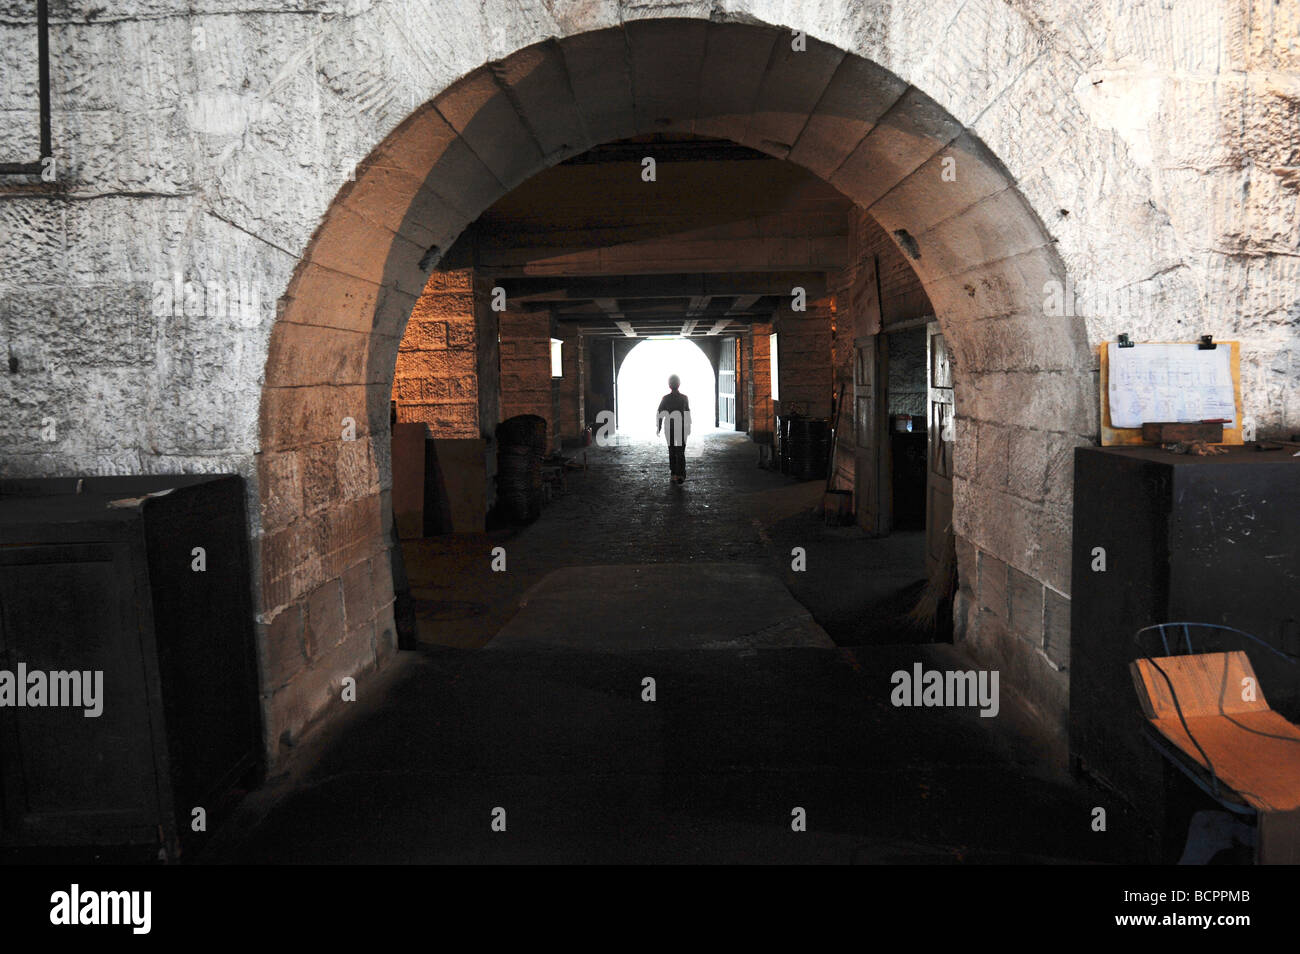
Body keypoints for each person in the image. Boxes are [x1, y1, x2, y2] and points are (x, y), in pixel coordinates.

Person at [656, 374, 691, 484]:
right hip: (680, 428)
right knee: (680, 452)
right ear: (679, 384)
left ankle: (674, 474)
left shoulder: (666, 398)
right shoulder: (684, 398)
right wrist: (688, 426)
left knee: (672, 451)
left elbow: (660, 413)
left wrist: (659, 426)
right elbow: (687, 413)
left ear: (669, 385)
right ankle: (680, 474)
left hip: (670, 428)